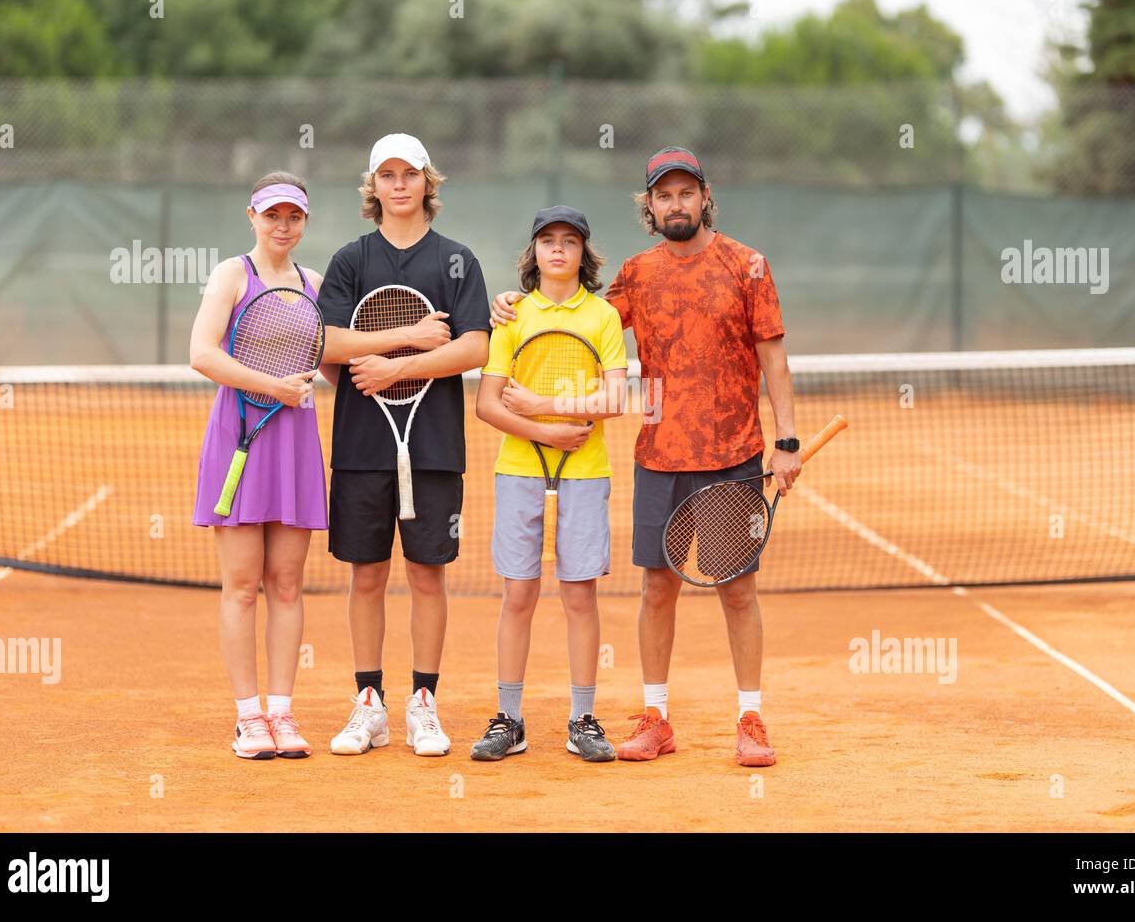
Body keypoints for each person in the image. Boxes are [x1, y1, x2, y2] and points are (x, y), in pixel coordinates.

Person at [490, 148, 799, 767]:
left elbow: (774, 360)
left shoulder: (749, 266)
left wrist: (786, 441)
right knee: (657, 589)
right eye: (663, 195)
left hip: (734, 452)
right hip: (659, 455)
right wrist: (510, 302)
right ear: (649, 206)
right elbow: (578, 315)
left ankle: (751, 719)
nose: (675, 204)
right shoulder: (635, 274)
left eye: (686, 193)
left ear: (704, 197)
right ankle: (656, 718)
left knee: (737, 590)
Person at [317, 134, 491, 757]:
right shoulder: (349, 261)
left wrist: (396, 367)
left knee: (427, 576)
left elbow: (475, 347)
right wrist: (411, 336)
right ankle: (369, 703)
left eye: (408, 175)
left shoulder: (457, 261)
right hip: (362, 447)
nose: (398, 185)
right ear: (373, 186)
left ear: (426, 183)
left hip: (435, 446)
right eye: (386, 175)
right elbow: (329, 345)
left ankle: (423, 702)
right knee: (366, 576)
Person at [471, 206, 628, 763]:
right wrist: (546, 431)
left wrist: (547, 407)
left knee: (580, 595)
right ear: (533, 252)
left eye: (569, 241)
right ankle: (509, 721)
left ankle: (583, 719)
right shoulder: (510, 315)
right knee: (518, 594)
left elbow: (615, 400)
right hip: (518, 471)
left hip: (586, 475)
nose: (557, 249)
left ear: (584, 253)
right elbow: (487, 405)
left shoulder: (604, 316)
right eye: (547, 240)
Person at [190, 172, 329, 760]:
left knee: (288, 584)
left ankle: (281, 712)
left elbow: (336, 352)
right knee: (244, 586)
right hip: (240, 437)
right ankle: (248, 718)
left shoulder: (315, 283)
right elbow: (202, 353)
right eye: (272, 214)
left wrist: (416, 342)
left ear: (303, 222)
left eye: (292, 216)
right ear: (252, 215)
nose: (282, 225)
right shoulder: (230, 275)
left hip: (295, 440)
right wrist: (273, 386)